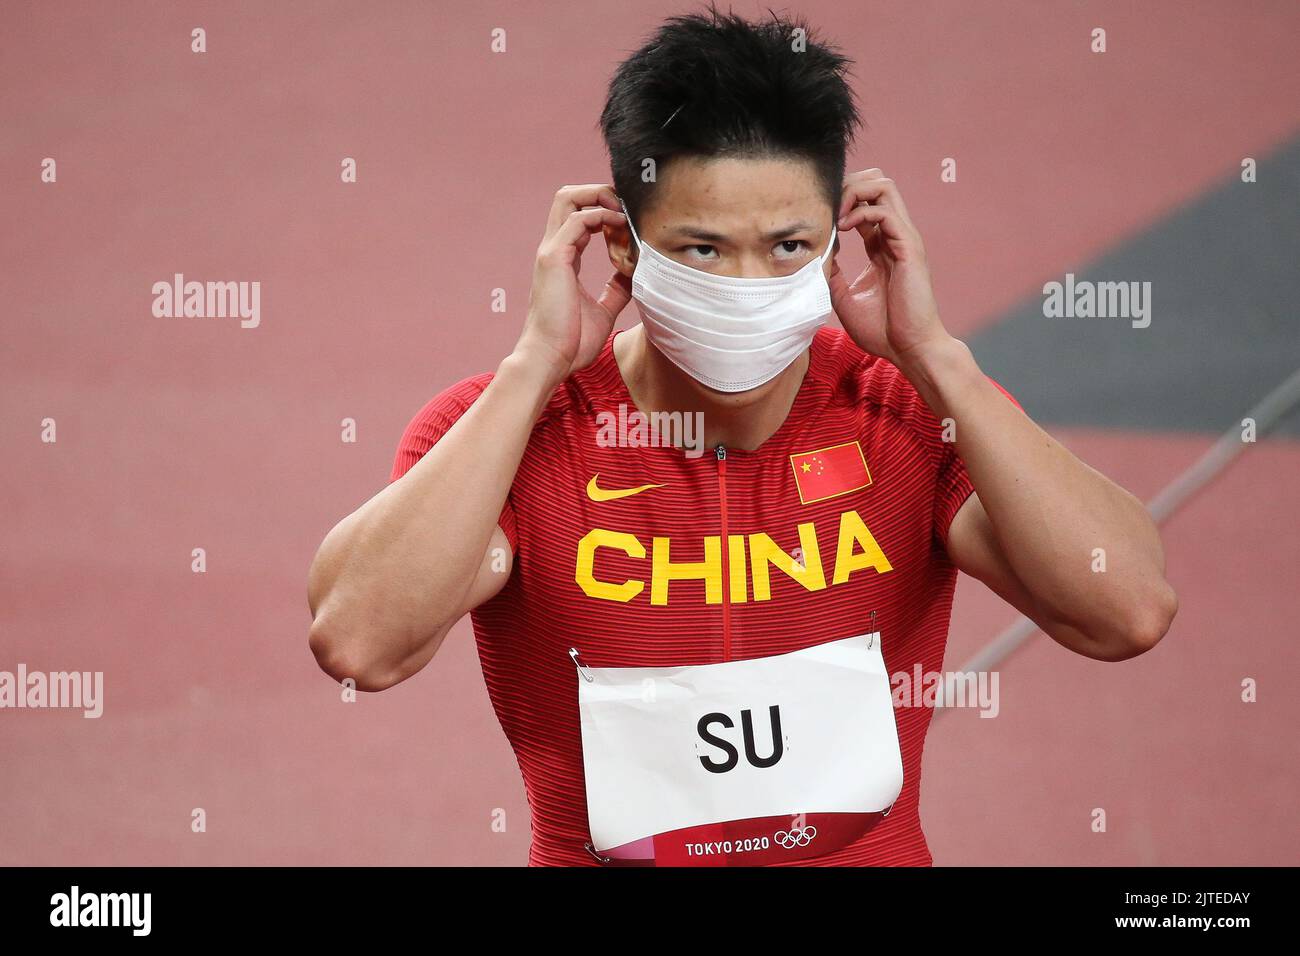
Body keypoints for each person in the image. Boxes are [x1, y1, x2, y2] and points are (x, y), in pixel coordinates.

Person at [306, 6, 1176, 866]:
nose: (750, 281)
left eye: (789, 243)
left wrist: (938, 358)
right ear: (621, 248)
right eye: (703, 250)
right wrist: (533, 366)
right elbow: (360, 643)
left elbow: (1126, 610)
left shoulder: (912, 414)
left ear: (844, 240)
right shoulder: (508, 433)